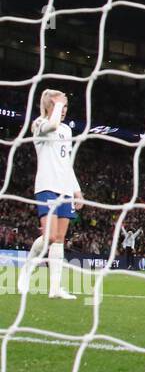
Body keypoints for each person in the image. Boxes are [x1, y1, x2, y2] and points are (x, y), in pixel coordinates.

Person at [17, 88, 83, 299]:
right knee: (49, 237)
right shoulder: (39, 125)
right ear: (48, 106)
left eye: (65, 106)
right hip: (46, 186)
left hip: (65, 188)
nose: (63, 110)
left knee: (60, 239)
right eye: (58, 105)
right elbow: (52, 123)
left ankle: (55, 288)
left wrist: (76, 189)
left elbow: (67, 163)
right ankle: (27, 269)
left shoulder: (66, 130)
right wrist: (57, 104)